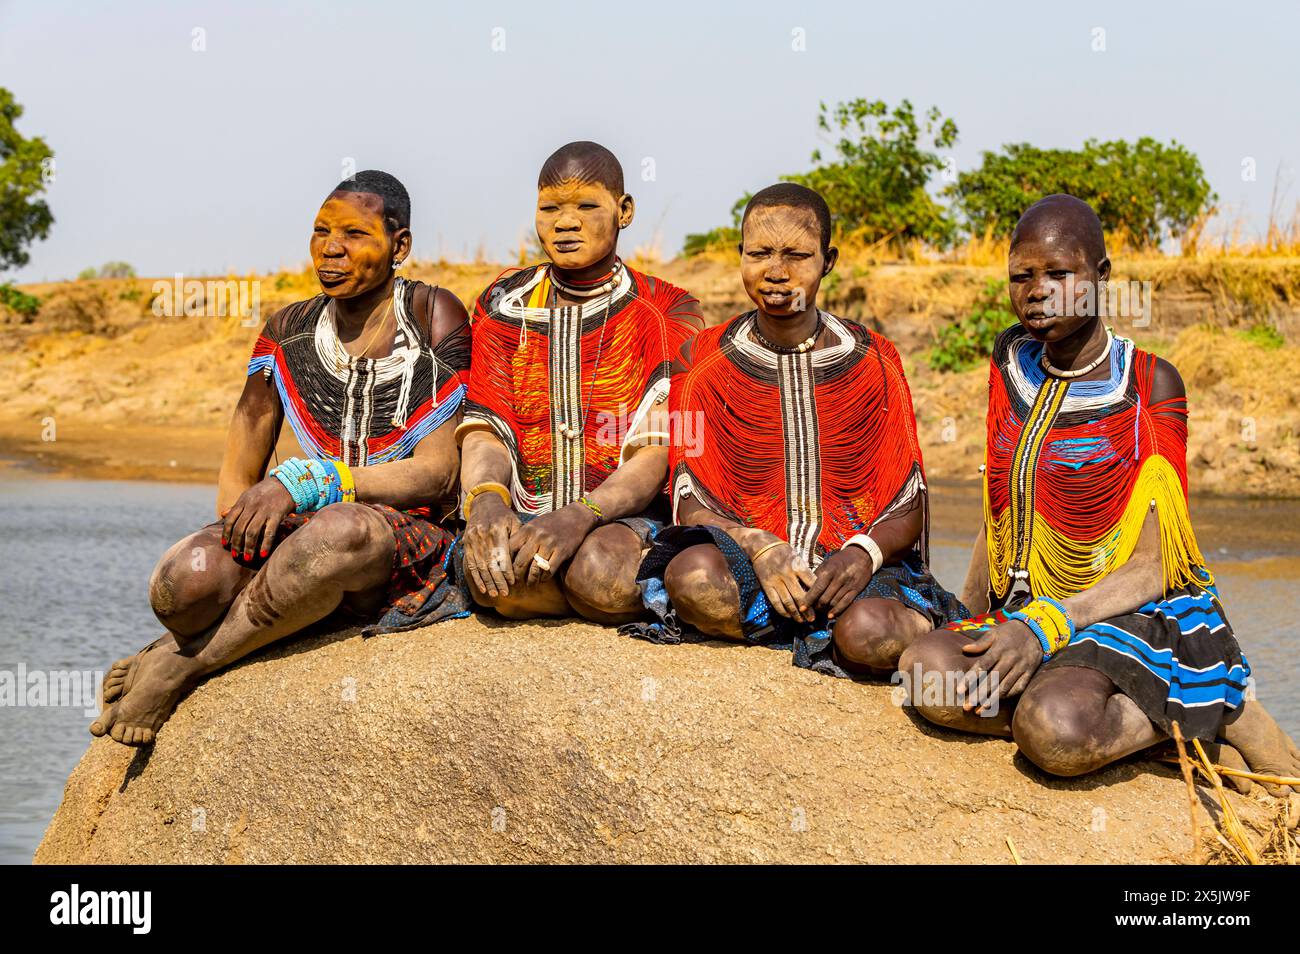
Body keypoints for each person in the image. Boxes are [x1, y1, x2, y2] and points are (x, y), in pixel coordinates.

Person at [899, 194, 1300, 795]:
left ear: (1101, 277)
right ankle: (1154, 714)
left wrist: (1045, 627)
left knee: (1053, 733)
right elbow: (1003, 504)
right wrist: (972, 610)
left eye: (1060, 274)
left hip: (1130, 608)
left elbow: (1160, 561)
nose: (1038, 291)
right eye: (1021, 276)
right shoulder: (1011, 361)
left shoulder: (1149, 384)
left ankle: (1207, 712)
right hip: (1030, 603)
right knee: (925, 674)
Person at [90, 171, 471, 746]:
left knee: (339, 531)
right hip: (308, 534)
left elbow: (435, 474)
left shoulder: (431, 313)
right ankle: (182, 634)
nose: (331, 248)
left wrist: (309, 482)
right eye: (320, 232)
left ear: (400, 245)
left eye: (355, 234)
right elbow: (244, 447)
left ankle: (183, 665)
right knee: (184, 581)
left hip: (405, 538)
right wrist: (236, 537)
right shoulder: (288, 329)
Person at [620, 183, 967, 675]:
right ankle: (798, 625)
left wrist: (862, 555)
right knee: (694, 577)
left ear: (828, 260)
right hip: (752, 565)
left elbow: (906, 502)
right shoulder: (704, 360)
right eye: (759, 253)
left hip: (852, 574)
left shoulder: (875, 360)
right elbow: (689, 498)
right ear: (739, 255)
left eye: (797, 255)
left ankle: (837, 625)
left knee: (871, 633)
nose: (776, 272)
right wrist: (756, 543)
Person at [456, 141, 702, 623]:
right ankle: (560, 583)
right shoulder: (504, 304)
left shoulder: (664, 309)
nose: (564, 223)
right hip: (526, 503)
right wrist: (487, 499)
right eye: (549, 209)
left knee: (600, 574)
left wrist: (578, 516)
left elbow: (655, 450)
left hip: (622, 514)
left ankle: (575, 582)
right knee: (496, 573)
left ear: (624, 210)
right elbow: (488, 425)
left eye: (587, 206)